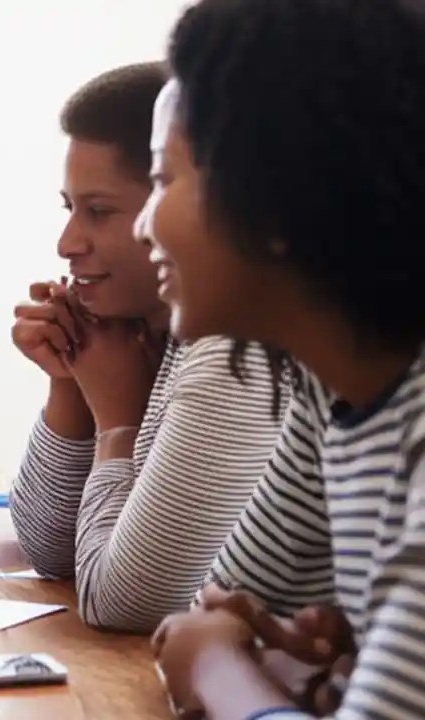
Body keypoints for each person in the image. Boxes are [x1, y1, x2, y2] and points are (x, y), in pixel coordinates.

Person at [143, 1, 425, 717]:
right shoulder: (341, 403)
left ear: (271, 193)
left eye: (162, 179)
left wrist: (218, 671)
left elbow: (194, 636)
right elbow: (214, 606)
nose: (148, 225)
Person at [7, 62, 284, 633]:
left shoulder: (234, 352)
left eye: (100, 212)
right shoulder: (149, 338)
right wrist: (73, 379)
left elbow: (122, 603)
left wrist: (116, 426)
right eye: (70, 209)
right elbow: (50, 550)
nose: (67, 243)